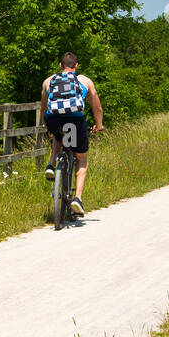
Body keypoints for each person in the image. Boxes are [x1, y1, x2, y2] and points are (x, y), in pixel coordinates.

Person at [40, 51, 104, 217]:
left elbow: (44, 107)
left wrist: (45, 124)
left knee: (58, 136)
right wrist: (99, 125)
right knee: (81, 158)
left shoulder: (49, 81)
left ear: (60, 66)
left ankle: (51, 164)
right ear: (76, 66)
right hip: (75, 122)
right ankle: (78, 198)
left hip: (54, 120)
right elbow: (97, 108)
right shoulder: (84, 81)